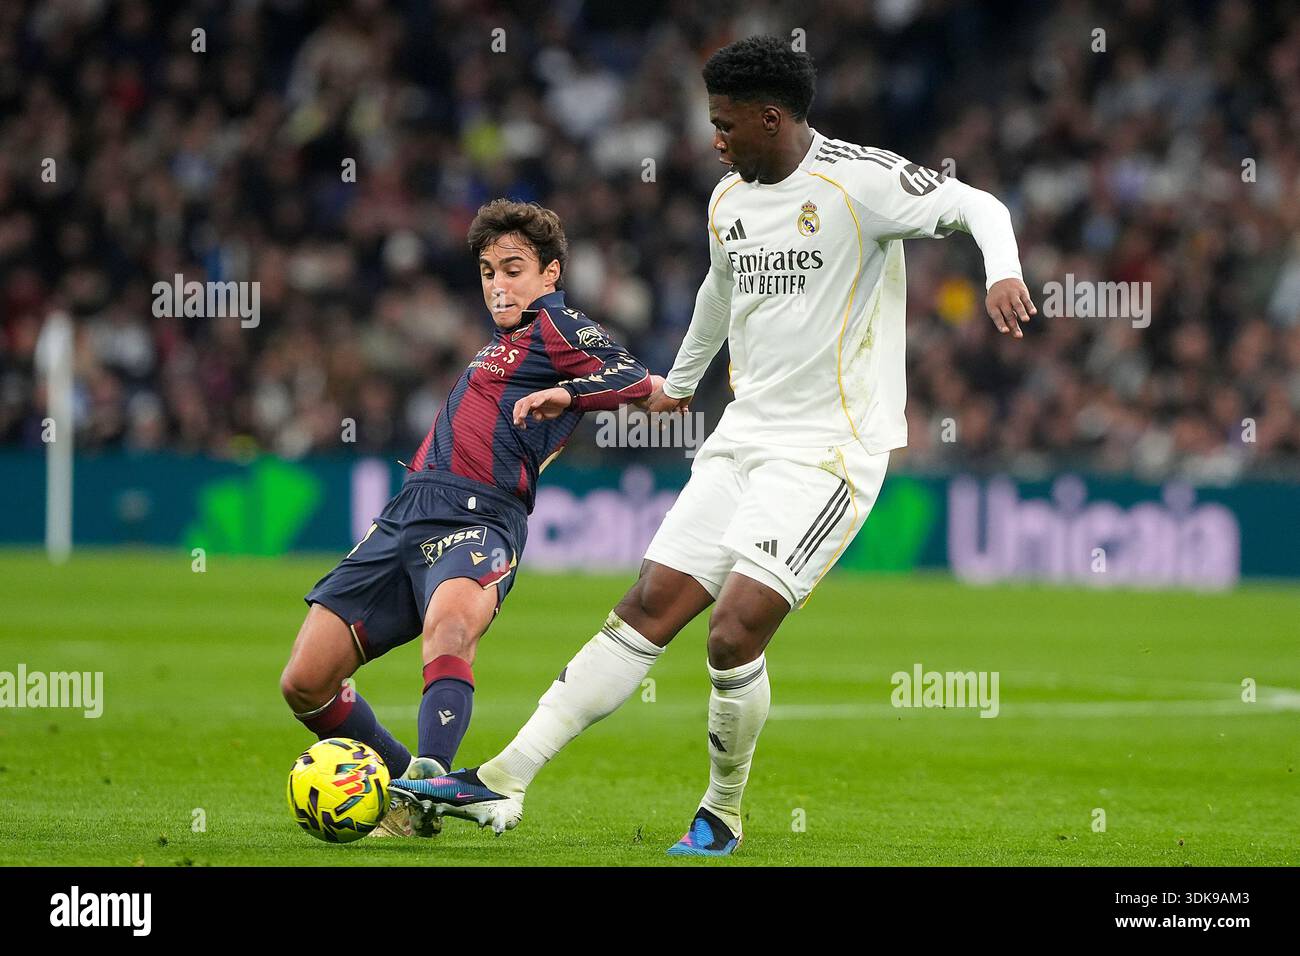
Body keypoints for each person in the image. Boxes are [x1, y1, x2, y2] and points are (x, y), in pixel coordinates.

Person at [392, 35, 1035, 855]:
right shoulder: (729, 199)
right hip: (742, 438)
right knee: (646, 608)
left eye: (727, 124)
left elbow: (980, 204)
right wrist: (677, 383)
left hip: (828, 454)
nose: (716, 139)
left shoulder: (858, 180)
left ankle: (722, 813)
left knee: (731, 632)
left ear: (773, 117)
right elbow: (719, 290)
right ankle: (502, 778)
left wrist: (999, 272)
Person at [279, 199, 658, 837]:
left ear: (550, 274)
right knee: (306, 682)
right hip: (407, 513)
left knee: (450, 631)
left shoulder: (556, 326)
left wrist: (568, 392)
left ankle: (429, 776)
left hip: (479, 518)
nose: (498, 285)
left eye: (513, 269)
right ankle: (420, 791)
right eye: (487, 272)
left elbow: (635, 377)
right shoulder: (501, 345)